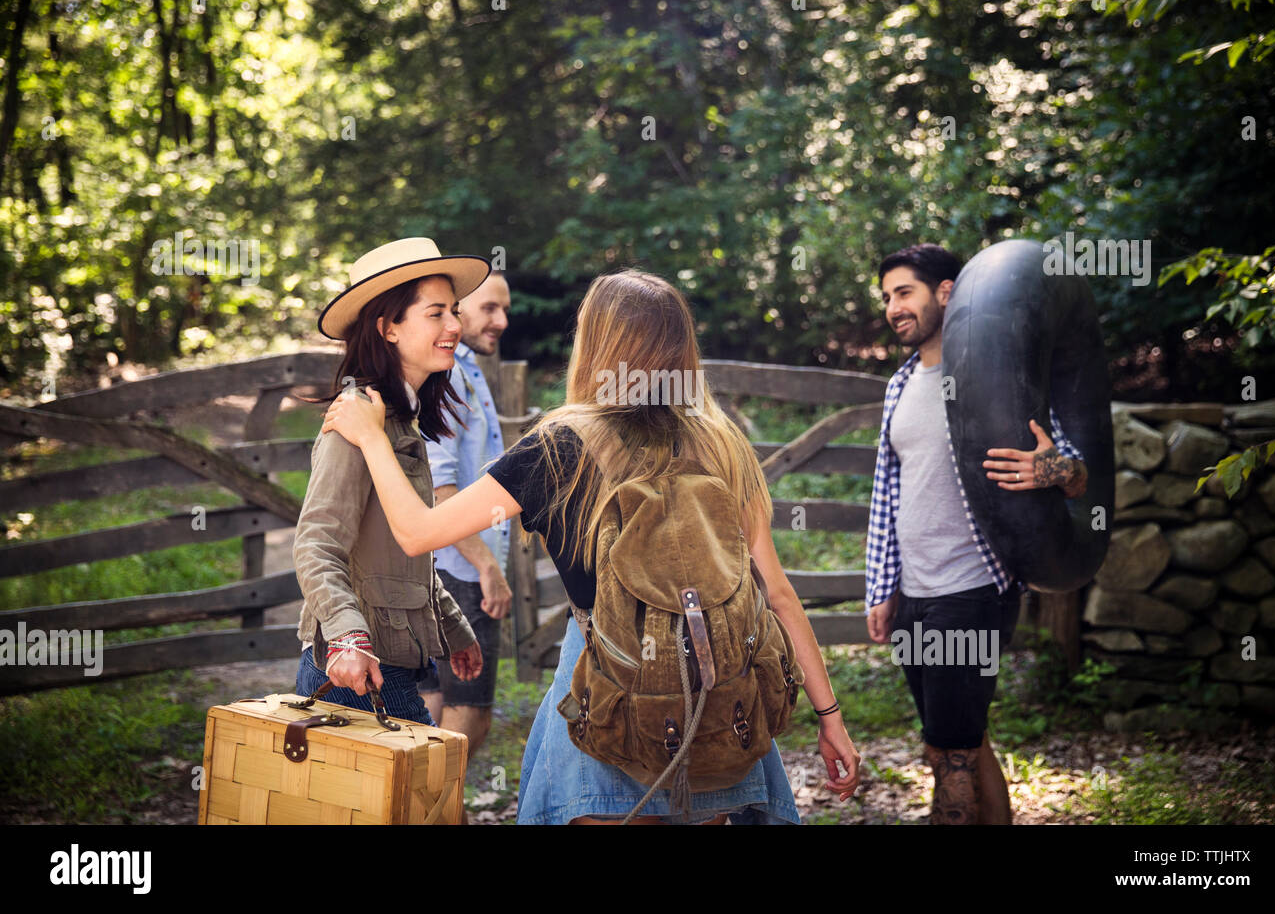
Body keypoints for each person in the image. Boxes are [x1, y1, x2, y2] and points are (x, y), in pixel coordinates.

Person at [322, 269, 862, 824]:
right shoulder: (723, 443)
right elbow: (776, 593)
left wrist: (369, 437)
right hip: (720, 703)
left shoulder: (561, 447)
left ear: (596, 344)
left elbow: (417, 533)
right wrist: (831, 717)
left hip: (608, 698)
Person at [864, 243, 1088, 824]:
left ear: (945, 293)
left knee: (951, 753)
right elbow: (888, 494)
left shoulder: (1000, 378)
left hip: (974, 590)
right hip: (915, 593)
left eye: (904, 292)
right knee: (964, 738)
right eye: (887, 297)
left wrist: (1055, 469)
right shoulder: (898, 385)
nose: (893, 308)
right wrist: (882, 589)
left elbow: (1080, 470)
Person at [293, 236, 486, 725]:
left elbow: (402, 548)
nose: (455, 326)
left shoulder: (399, 421)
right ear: (388, 328)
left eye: (455, 312)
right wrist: (347, 638)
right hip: (358, 671)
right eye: (436, 313)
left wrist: (454, 628)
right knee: (423, 798)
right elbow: (316, 543)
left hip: (390, 664)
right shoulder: (356, 420)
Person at [419, 271, 513, 760]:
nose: (500, 321)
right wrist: (486, 566)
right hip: (458, 568)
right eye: (489, 309)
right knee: (467, 714)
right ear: (457, 309)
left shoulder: (466, 370)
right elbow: (440, 486)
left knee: (434, 706)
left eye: (504, 310)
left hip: (450, 563)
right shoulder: (451, 375)